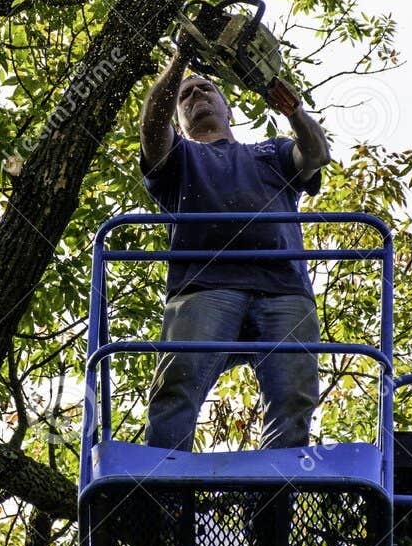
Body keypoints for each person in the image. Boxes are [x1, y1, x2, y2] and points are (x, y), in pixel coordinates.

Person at [138, 43, 331, 453]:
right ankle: (161, 499)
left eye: (205, 88)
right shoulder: (179, 157)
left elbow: (316, 153)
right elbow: (152, 127)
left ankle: (274, 505)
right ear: (179, 116)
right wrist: (180, 62)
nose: (196, 96)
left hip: (283, 289)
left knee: (293, 398)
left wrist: (293, 109)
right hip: (205, 288)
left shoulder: (270, 150)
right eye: (186, 95)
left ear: (230, 110)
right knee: (178, 385)